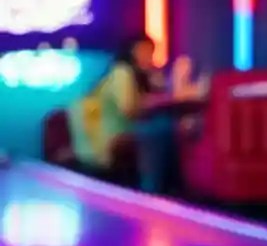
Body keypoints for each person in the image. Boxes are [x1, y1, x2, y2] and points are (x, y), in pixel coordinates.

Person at [68, 37, 202, 193]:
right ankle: (153, 189)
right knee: (162, 130)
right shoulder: (122, 72)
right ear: (133, 52)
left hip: (124, 130)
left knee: (166, 127)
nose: (149, 57)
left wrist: (156, 86)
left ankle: (167, 187)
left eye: (151, 52)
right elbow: (129, 110)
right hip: (112, 135)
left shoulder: (138, 75)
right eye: (145, 52)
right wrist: (162, 99)